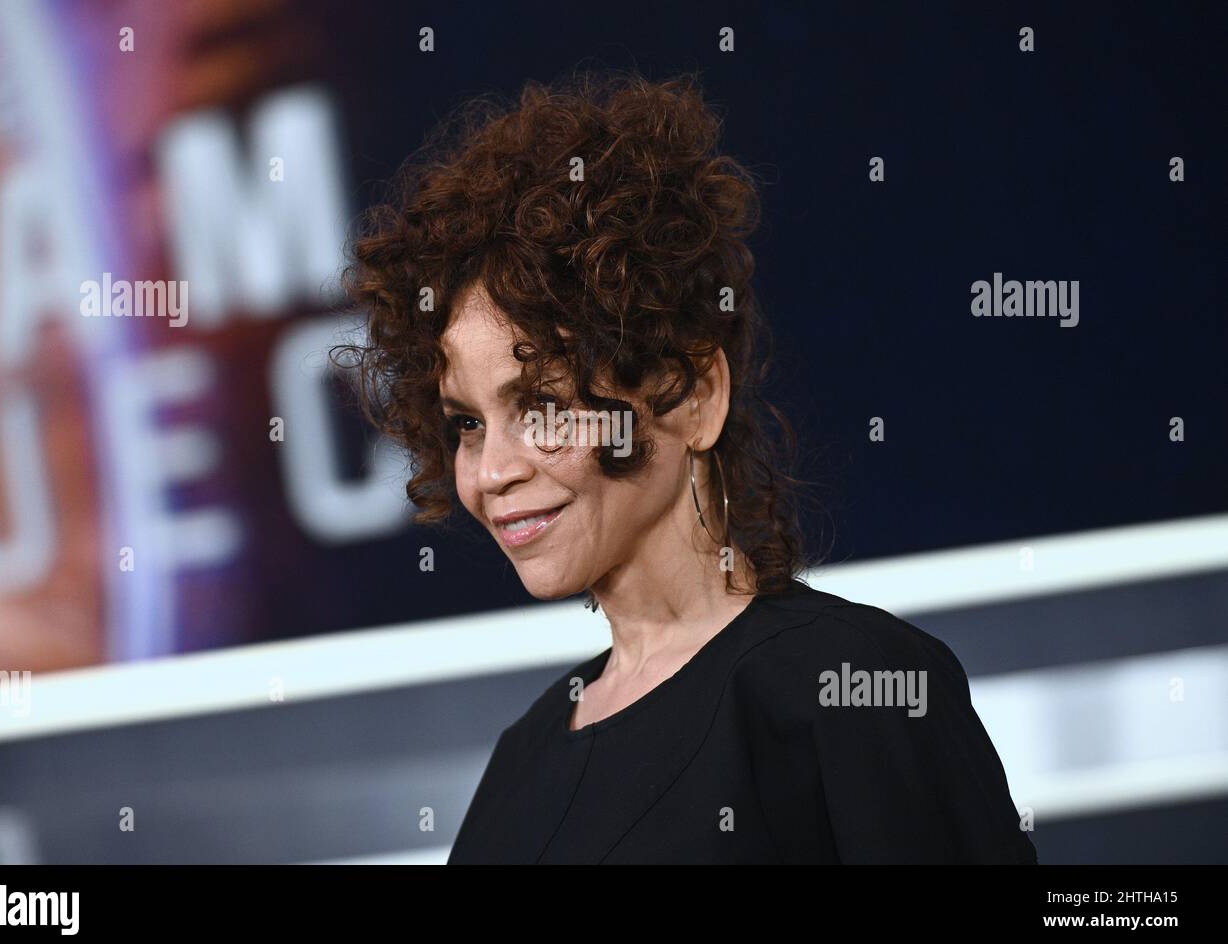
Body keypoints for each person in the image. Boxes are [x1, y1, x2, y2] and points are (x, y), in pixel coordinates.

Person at [339, 70, 1037, 864]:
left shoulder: (855, 688)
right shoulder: (521, 763)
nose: (491, 470)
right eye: (466, 423)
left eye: (540, 405)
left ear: (694, 395)